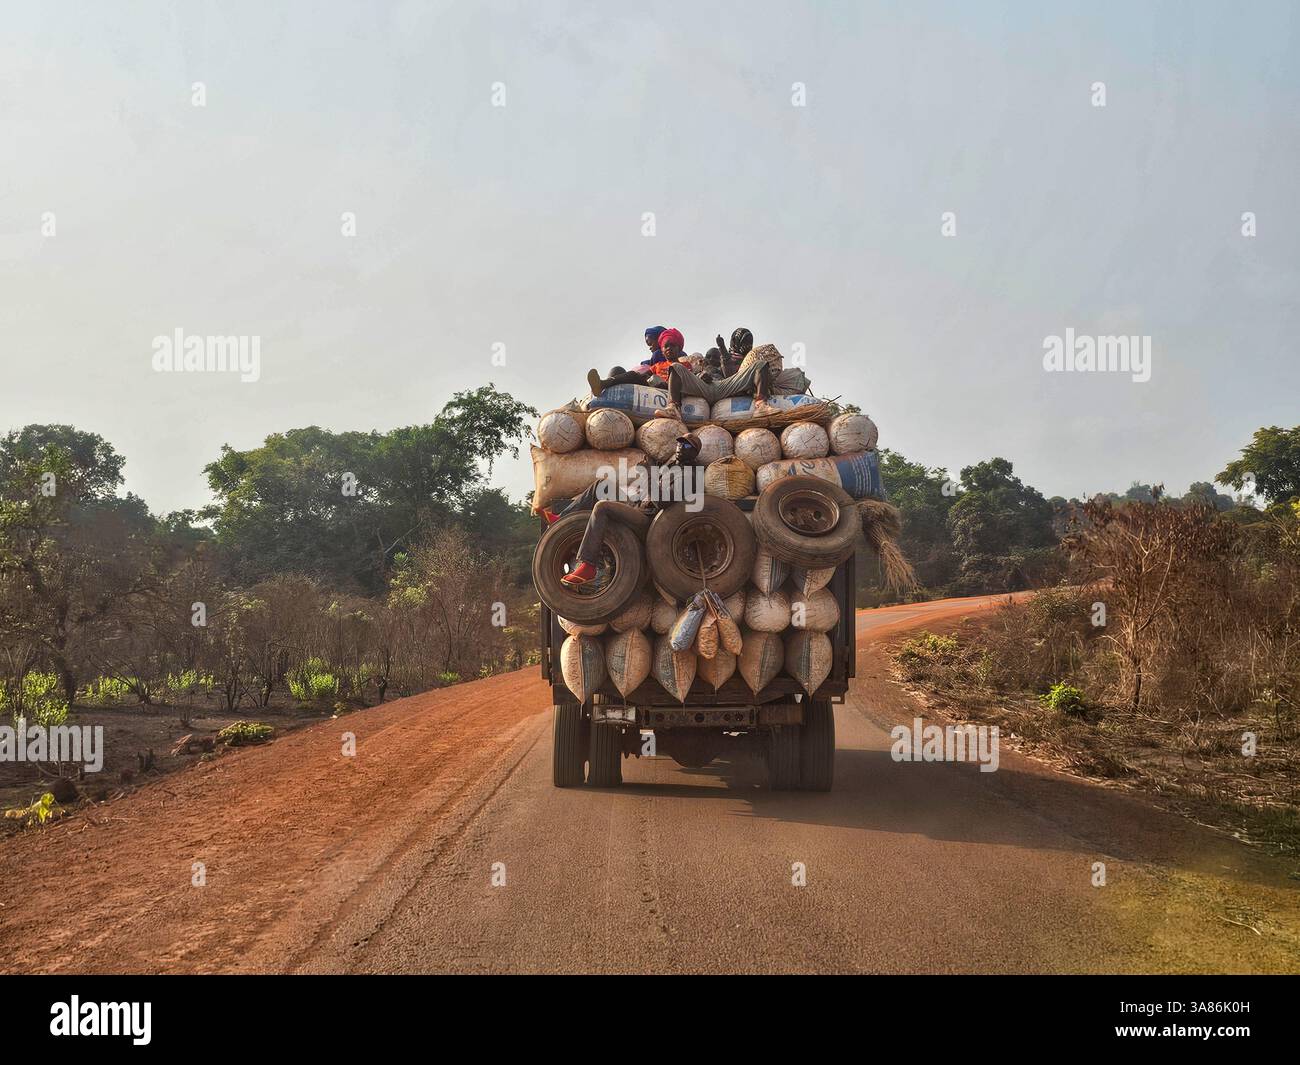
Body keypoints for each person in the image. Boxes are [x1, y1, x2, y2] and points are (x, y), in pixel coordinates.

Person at [559, 432, 704, 587]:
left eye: (687, 445)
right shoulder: (673, 465)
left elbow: (661, 501)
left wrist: (648, 474)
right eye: (680, 442)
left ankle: (588, 566)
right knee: (602, 485)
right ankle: (560, 519)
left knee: (602, 507)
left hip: (650, 520)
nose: (681, 447)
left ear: (694, 453)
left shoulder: (691, 475)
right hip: (638, 504)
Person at [654, 334, 808, 421]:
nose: (713, 360)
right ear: (704, 360)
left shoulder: (725, 364)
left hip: (723, 386)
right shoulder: (695, 366)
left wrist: (722, 351)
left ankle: (761, 405)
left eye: (716, 356)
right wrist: (700, 376)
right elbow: (685, 379)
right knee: (675, 367)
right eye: (710, 357)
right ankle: (673, 407)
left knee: (760, 365)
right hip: (703, 388)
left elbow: (729, 373)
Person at [586, 326, 670, 396]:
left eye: (651, 343)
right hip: (650, 383)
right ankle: (601, 387)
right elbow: (647, 374)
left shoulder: (676, 362)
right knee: (619, 370)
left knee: (630, 375)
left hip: (661, 387)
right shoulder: (657, 364)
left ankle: (602, 386)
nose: (650, 347)